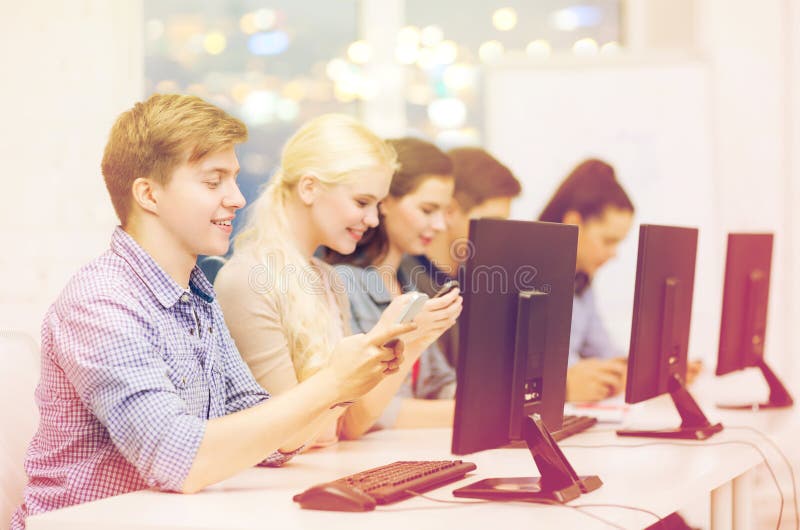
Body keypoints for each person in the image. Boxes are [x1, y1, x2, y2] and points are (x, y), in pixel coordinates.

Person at [10, 95, 412, 529]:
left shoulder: (197, 298)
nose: (237, 198)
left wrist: (345, 382)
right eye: (213, 181)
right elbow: (179, 460)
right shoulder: (101, 303)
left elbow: (276, 438)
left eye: (234, 179)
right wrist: (332, 382)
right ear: (148, 194)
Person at [215, 116, 455, 442]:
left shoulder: (327, 281)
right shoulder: (247, 280)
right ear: (309, 188)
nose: (372, 220)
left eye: (376, 205)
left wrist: (405, 342)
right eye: (361, 202)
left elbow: (348, 426)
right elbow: (284, 439)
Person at [326, 137, 462, 428]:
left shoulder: (411, 285)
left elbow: (440, 383)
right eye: (427, 210)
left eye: (443, 211)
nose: (439, 225)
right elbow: (364, 412)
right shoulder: (342, 283)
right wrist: (477, 414)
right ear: (385, 202)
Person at [402, 147, 522, 368]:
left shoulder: (479, 280)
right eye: (493, 221)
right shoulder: (404, 281)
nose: (501, 234)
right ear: (451, 211)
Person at [538, 159, 633, 402]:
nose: (614, 254)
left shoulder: (581, 282)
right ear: (574, 222)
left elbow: (604, 351)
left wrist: (647, 369)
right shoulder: (523, 278)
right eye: (608, 241)